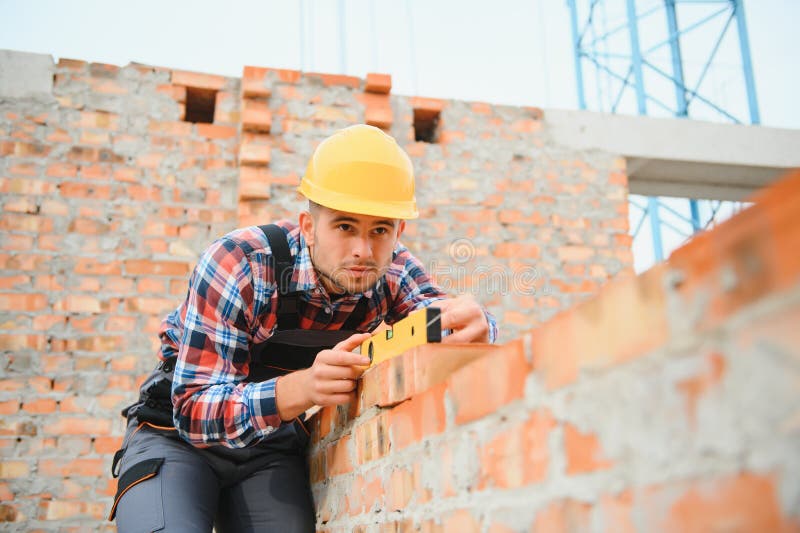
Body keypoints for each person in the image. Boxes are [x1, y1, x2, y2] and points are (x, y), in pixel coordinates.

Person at [109, 124, 497, 532]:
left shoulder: (394, 270)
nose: (363, 250)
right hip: (174, 437)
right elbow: (194, 410)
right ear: (309, 227)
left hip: (268, 448)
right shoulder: (239, 262)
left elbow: (442, 322)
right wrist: (303, 388)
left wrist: (478, 323)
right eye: (345, 226)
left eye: (380, 229)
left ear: (398, 232)